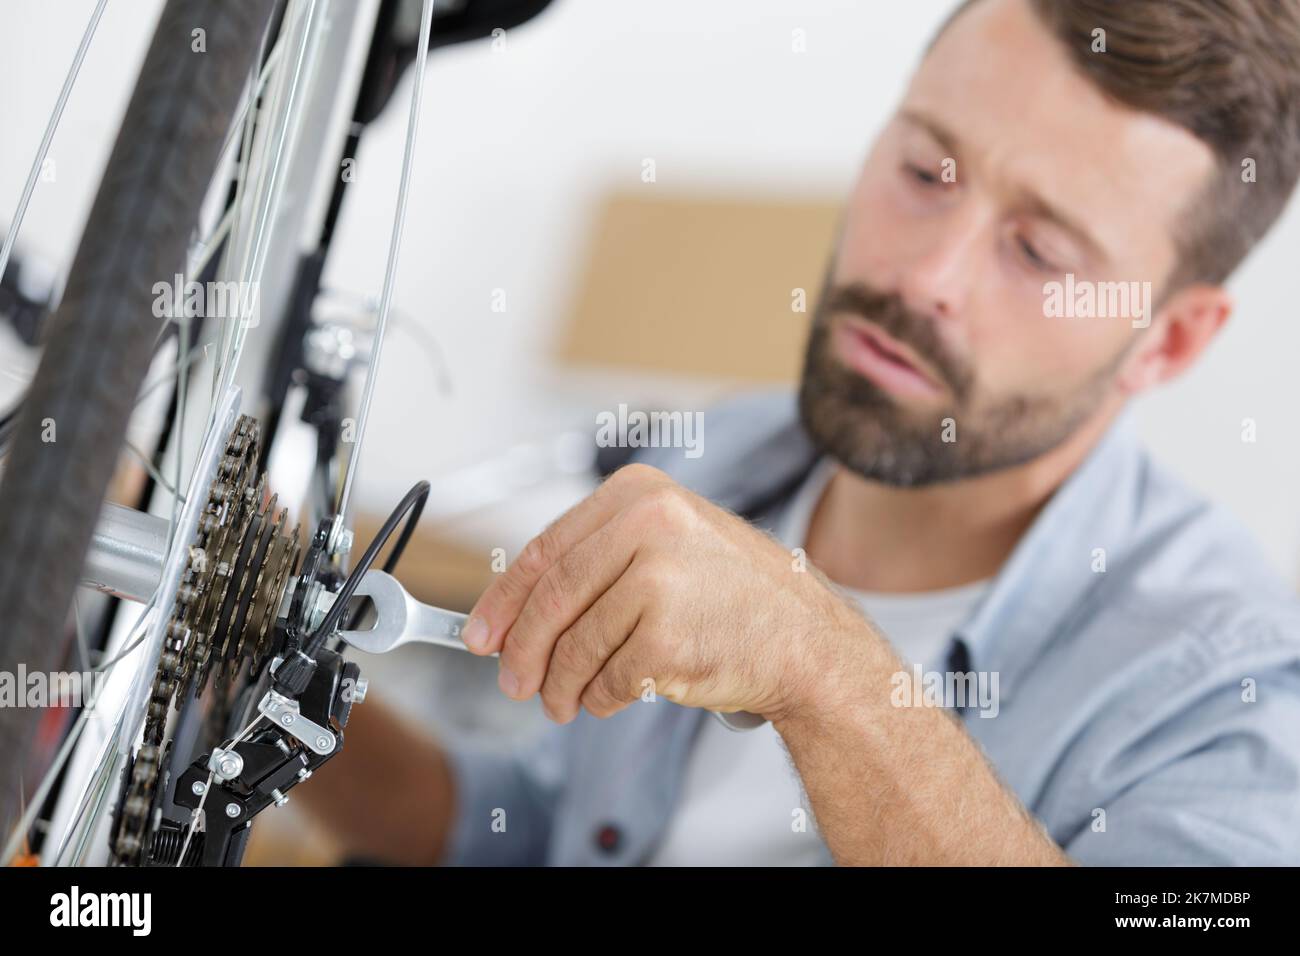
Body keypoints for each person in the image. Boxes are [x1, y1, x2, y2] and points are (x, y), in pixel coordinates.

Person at [300, 0, 1300, 865]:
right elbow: (532, 833)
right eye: (924, 168)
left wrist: (818, 667)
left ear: (1165, 342)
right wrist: (250, 660)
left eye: (1037, 250)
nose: (923, 276)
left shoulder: (1229, 697)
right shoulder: (730, 458)